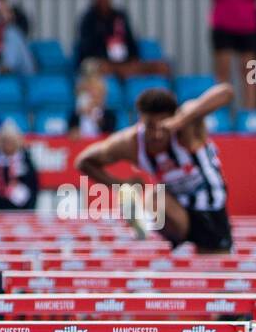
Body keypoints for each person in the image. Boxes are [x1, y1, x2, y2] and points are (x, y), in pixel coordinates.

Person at [74, 83, 235, 251]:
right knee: (153, 195)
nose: (157, 134)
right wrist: (118, 184)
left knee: (214, 266)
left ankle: (176, 242)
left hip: (209, 203)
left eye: (162, 126)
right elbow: (84, 161)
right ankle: (145, 224)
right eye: (150, 126)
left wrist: (180, 121)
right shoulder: (131, 142)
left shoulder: (188, 125)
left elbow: (226, 92)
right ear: (140, 120)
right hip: (173, 208)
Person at [75, 0, 170, 78]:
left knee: (162, 67)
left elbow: (131, 42)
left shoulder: (120, 16)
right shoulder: (88, 19)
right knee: (95, 67)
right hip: (103, 63)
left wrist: (132, 59)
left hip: (125, 62)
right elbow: (86, 49)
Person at [0, 123, 39, 211]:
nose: (8, 144)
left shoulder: (26, 160)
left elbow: (33, 187)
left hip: (22, 212)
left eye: (11, 141)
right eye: (5, 141)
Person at [66, 72, 118, 138]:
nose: (94, 97)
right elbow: (69, 134)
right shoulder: (75, 115)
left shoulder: (110, 115)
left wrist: (97, 120)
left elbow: (110, 135)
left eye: (98, 93)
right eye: (91, 92)